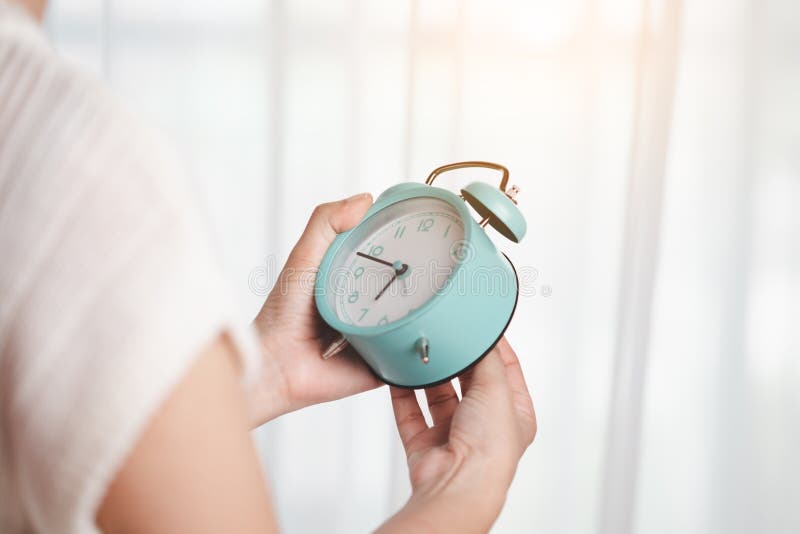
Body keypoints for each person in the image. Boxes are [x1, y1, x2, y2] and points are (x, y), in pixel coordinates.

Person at [0, 0, 537, 532]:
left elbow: (87, 433)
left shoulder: (29, 107)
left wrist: (270, 373)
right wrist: (468, 488)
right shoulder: (66, 140)